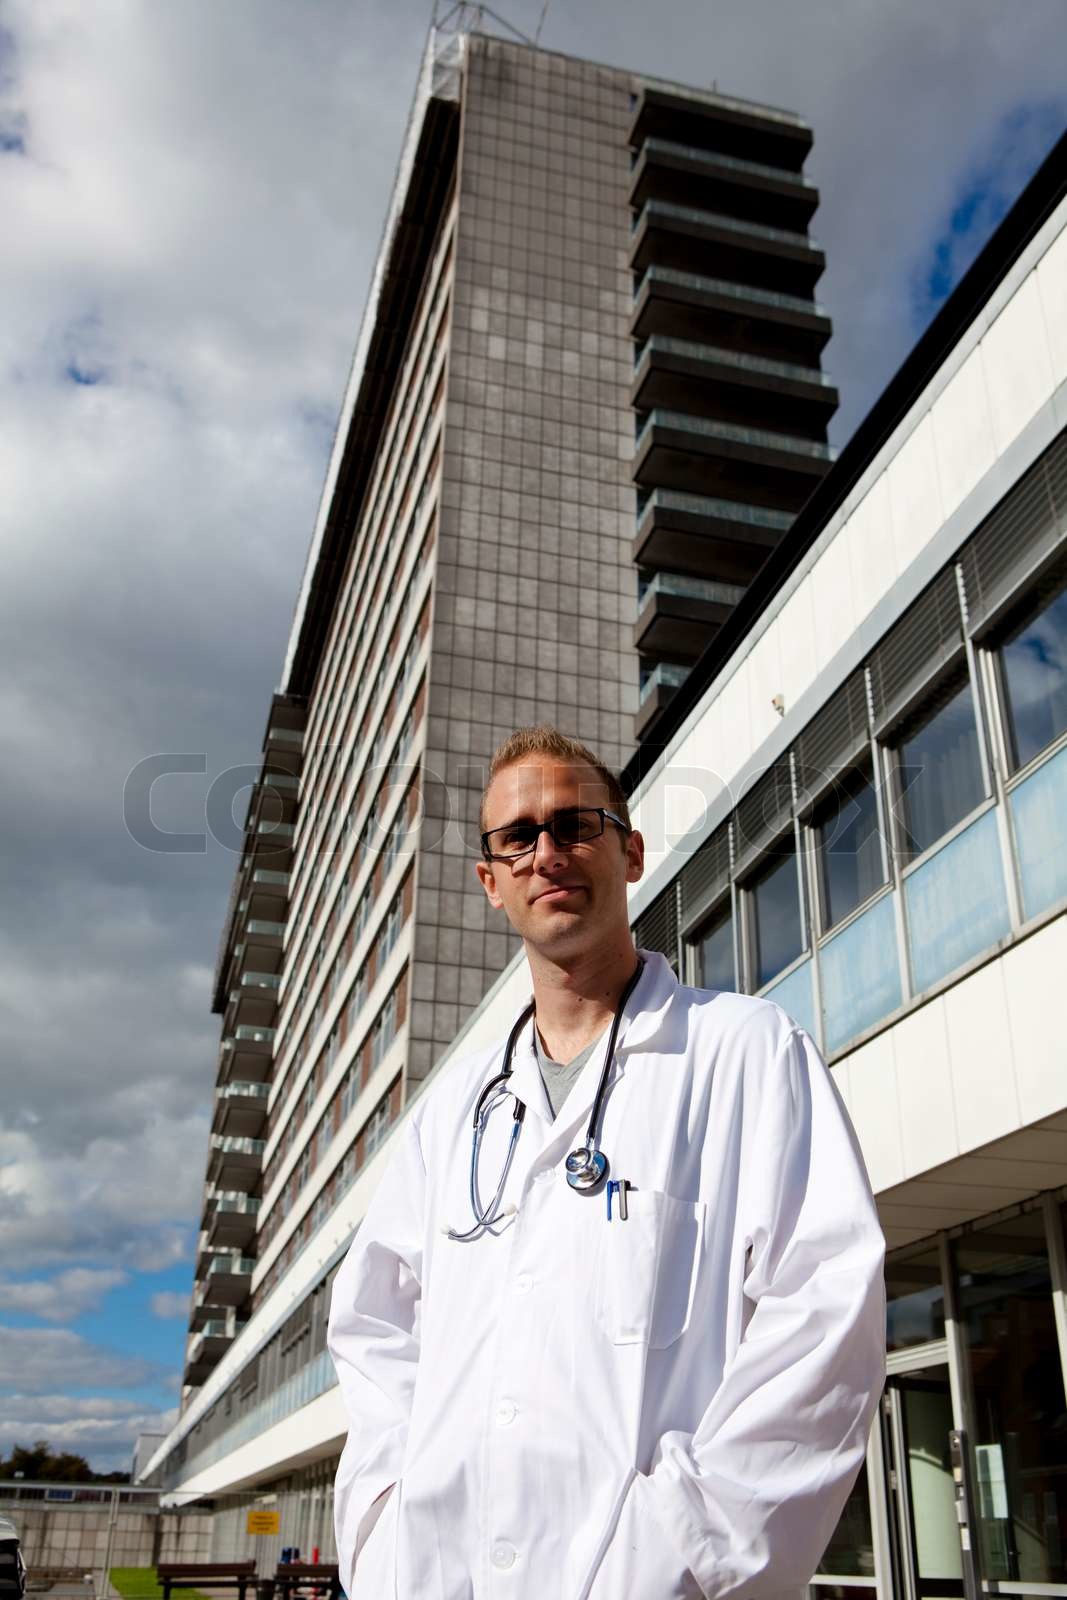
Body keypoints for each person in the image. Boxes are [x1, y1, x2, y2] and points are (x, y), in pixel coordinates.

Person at [327, 726, 886, 1600]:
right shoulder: (450, 1114)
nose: (546, 853)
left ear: (627, 852)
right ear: (491, 883)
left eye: (573, 825)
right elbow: (374, 1334)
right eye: (517, 837)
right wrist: (385, 1540)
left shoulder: (743, 1051)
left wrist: (687, 1554)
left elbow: (822, 1317)